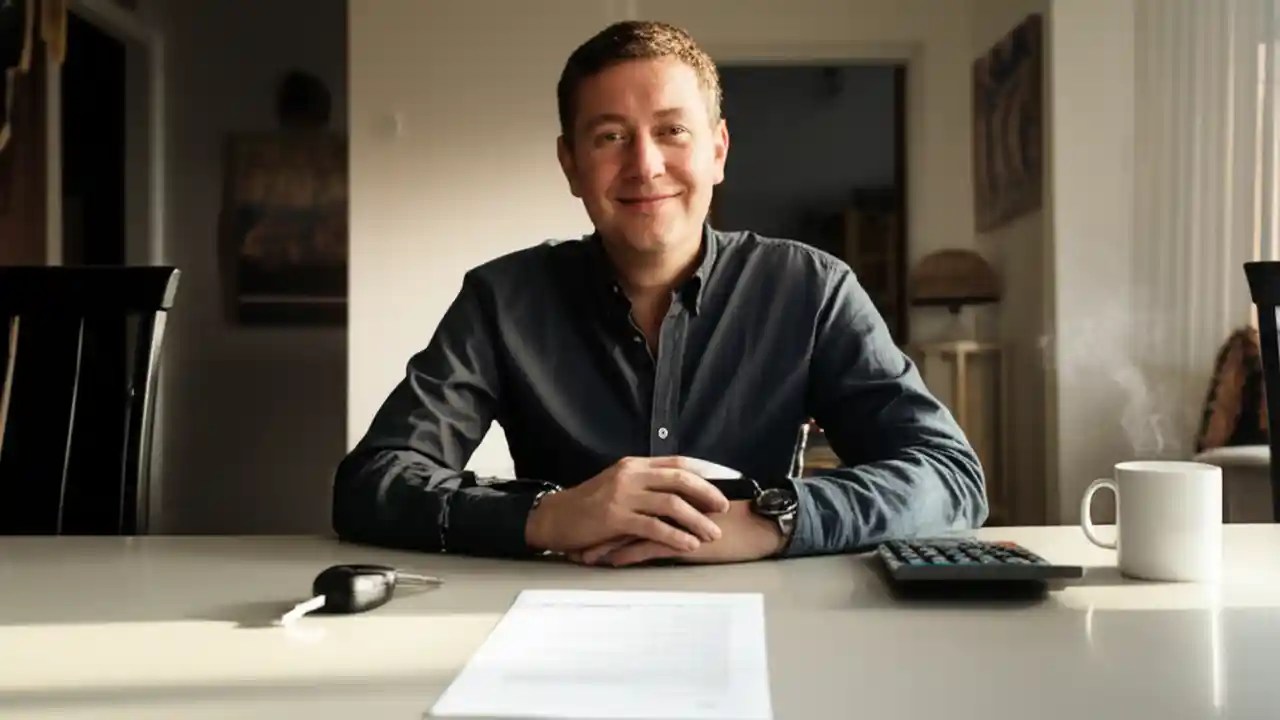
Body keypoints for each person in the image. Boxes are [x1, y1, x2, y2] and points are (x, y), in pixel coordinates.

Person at [332, 20, 987, 567]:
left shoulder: (811, 289)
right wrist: (548, 516)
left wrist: (764, 522)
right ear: (570, 164)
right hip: (552, 619)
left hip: (771, 617)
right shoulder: (502, 299)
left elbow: (950, 477)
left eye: (672, 130)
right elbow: (373, 483)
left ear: (718, 150)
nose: (645, 165)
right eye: (610, 136)